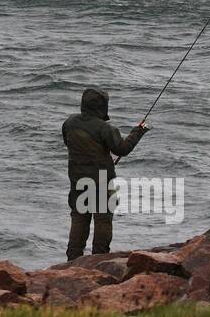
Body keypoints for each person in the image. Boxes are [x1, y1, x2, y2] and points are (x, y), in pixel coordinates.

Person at [61, 87, 150, 260]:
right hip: (101, 181)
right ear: (103, 106)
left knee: (79, 217)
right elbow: (122, 149)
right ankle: (99, 259)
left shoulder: (69, 123)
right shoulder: (105, 129)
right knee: (102, 219)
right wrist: (138, 131)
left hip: (78, 180)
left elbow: (68, 143)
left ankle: (72, 260)